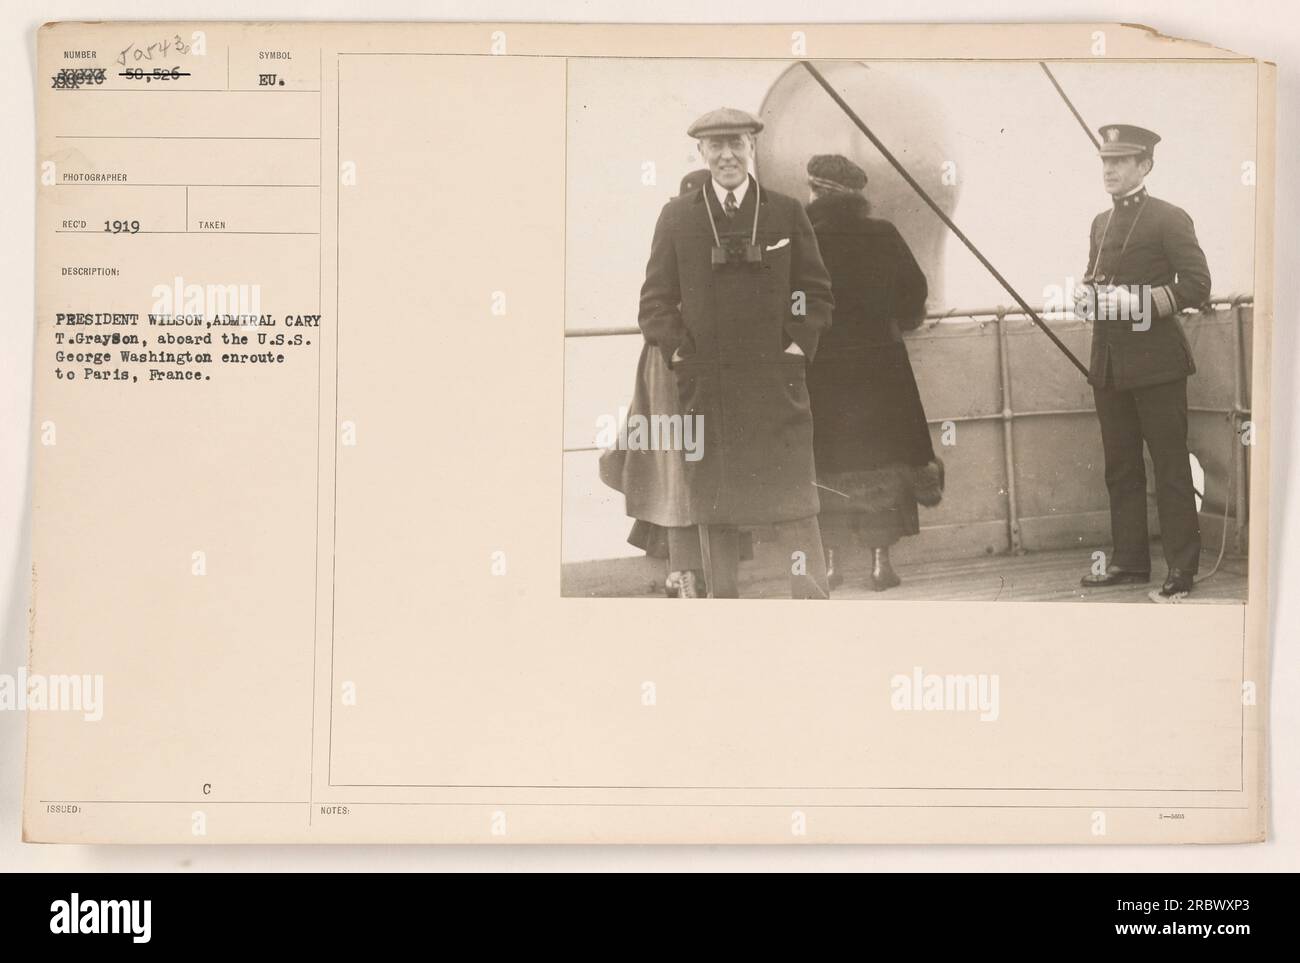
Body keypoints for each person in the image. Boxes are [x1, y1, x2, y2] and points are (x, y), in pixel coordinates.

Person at [638, 107, 835, 598]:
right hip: (711, 388)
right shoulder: (678, 216)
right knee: (716, 508)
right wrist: (684, 356)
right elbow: (654, 303)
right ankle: (723, 612)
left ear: (753, 148)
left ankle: (810, 605)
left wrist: (796, 347)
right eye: (716, 146)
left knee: (795, 506)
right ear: (701, 152)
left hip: (776, 385)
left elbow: (815, 293)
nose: (727, 155)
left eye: (736, 144)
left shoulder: (786, 212)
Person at [1075, 124, 1211, 599]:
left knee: (1170, 467)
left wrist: (1131, 302)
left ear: (1145, 166)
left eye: (1120, 161)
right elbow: (1097, 283)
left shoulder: (1170, 218)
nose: (1109, 169)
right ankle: (1130, 562)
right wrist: (1086, 298)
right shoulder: (1099, 222)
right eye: (1105, 161)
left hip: (1157, 366)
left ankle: (1182, 570)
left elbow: (1197, 286)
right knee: (1121, 467)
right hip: (1109, 366)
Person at [802, 154, 944, 592]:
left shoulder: (803, 237)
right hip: (881, 367)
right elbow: (914, 294)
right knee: (885, 459)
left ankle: (828, 564)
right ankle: (880, 563)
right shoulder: (883, 234)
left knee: (824, 459)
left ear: (816, 193)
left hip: (821, 367)